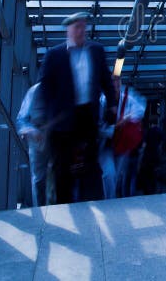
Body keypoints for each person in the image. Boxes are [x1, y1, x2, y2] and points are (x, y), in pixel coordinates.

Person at [38, 12, 117, 204]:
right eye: (77, 27)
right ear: (68, 30)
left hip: (87, 116)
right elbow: (45, 87)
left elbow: (107, 80)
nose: (82, 31)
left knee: (90, 163)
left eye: (84, 27)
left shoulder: (96, 51)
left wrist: (112, 105)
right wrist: (49, 117)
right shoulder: (54, 55)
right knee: (62, 167)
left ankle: (92, 204)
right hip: (63, 120)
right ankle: (63, 207)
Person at [16, 82, 48, 207]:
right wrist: (33, 131)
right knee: (39, 180)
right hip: (38, 140)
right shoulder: (35, 91)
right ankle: (41, 209)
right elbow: (21, 120)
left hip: (56, 139)